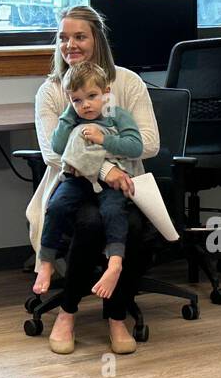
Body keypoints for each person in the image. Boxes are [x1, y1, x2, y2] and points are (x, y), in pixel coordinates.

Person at [26, 5, 161, 357]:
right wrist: (104, 169)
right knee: (88, 222)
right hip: (72, 185)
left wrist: (101, 150)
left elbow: (149, 142)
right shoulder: (53, 91)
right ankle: (67, 313)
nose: (70, 45)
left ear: (97, 39)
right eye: (63, 38)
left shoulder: (127, 82)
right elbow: (53, 153)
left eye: (79, 36)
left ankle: (117, 316)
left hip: (125, 186)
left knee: (132, 225)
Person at [34, 61, 144, 300]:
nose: (86, 105)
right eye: (77, 100)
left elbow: (136, 147)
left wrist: (103, 140)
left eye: (92, 96)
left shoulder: (117, 116)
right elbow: (58, 147)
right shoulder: (73, 117)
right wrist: (68, 114)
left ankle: (115, 263)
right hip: (78, 179)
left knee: (113, 212)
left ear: (106, 93)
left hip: (112, 181)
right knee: (56, 206)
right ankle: (46, 262)